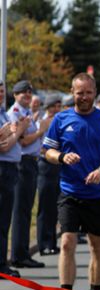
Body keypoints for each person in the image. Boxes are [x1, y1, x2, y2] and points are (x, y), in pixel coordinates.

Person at [43, 73, 100, 290]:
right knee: (66, 242)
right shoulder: (61, 118)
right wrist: (61, 157)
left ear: (95, 92)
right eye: (80, 92)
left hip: (97, 193)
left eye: (89, 92)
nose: (84, 97)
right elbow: (47, 150)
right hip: (69, 191)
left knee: (96, 246)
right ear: (72, 92)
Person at [10, 80, 50, 269]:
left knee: (26, 211)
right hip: (23, 163)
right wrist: (41, 131)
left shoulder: (27, 113)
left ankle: (23, 252)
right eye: (22, 93)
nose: (26, 95)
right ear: (15, 95)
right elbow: (24, 141)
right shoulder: (15, 114)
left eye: (28, 93)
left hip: (31, 163)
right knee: (21, 211)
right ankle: (19, 254)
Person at [0, 80, 27, 279]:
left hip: (10, 168)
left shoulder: (3, 113)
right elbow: (4, 146)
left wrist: (12, 133)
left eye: (2, 92)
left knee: (5, 220)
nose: (1, 95)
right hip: (3, 168)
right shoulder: (10, 114)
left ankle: (2, 262)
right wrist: (18, 130)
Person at [36, 94, 63, 256]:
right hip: (45, 165)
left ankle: (51, 242)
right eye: (55, 106)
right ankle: (43, 243)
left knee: (54, 208)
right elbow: (42, 147)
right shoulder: (43, 122)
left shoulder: (57, 122)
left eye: (59, 106)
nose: (57, 109)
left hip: (56, 166)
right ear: (48, 107)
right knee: (45, 208)